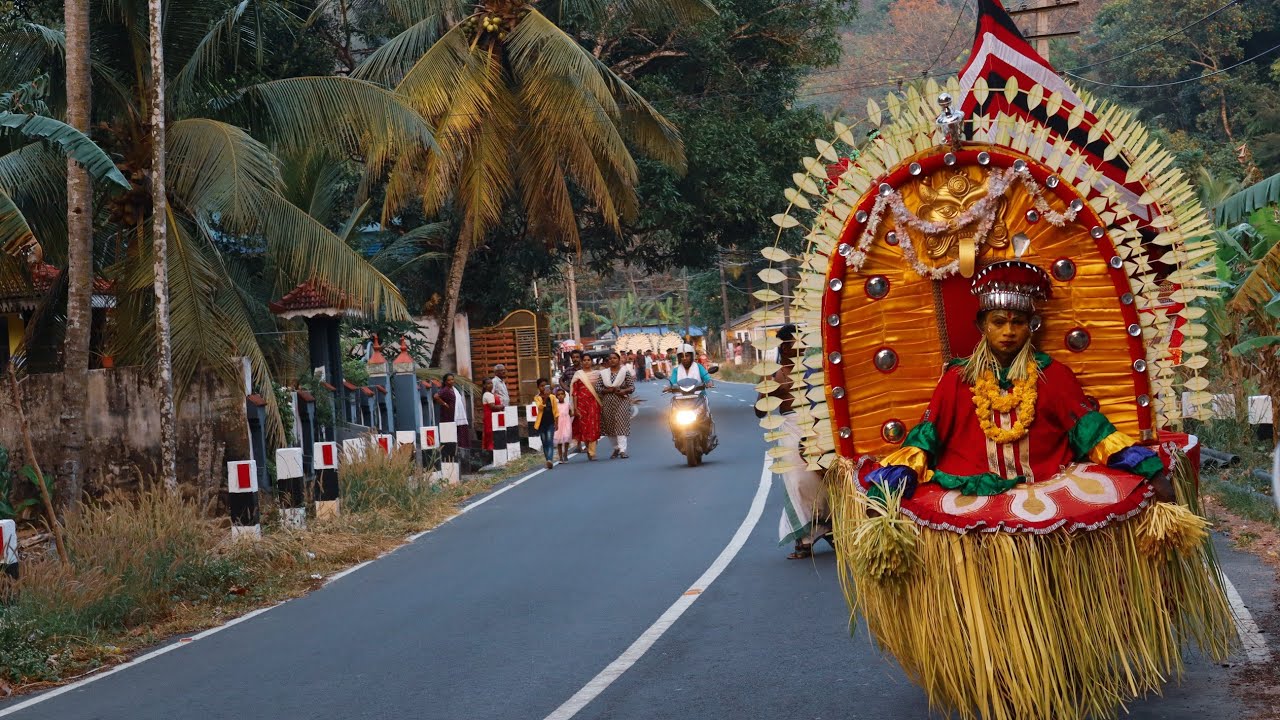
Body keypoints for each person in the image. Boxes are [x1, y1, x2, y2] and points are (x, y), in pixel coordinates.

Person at [865, 260, 1173, 505]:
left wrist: (1147, 469)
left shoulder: (1052, 375)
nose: (1008, 331)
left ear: (1031, 327)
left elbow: (1092, 431)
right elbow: (925, 438)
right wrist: (894, 481)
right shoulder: (957, 380)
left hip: (1048, 491)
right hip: (969, 491)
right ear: (982, 326)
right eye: (998, 322)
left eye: (1018, 322)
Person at [758, 324, 831, 559]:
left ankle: (830, 527)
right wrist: (766, 386)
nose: (793, 349)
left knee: (824, 479)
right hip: (791, 430)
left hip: (817, 427)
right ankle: (805, 539)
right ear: (782, 347)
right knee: (798, 482)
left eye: (797, 343)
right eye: (788, 345)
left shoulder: (816, 369)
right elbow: (760, 412)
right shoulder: (777, 374)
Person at [599, 351, 636, 459]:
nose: (612, 360)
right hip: (607, 402)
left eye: (615, 358)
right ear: (608, 361)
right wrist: (607, 390)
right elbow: (597, 388)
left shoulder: (625, 372)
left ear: (619, 360)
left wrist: (624, 391)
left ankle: (622, 450)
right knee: (610, 426)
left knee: (620, 424)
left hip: (622, 401)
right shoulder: (604, 374)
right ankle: (616, 448)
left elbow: (632, 387)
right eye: (610, 359)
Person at [569, 350, 603, 460]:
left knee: (593, 427)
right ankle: (589, 448)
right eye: (584, 360)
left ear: (591, 362)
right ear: (581, 362)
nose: (587, 362)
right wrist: (575, 408)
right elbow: (574, 393)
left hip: (594, 403)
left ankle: (592, 452)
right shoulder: (578, 375)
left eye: (589, 360)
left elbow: (601, 389)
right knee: (585, 428)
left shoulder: (597, 374)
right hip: (581, 405)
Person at [433, 373, 471, 450]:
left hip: (458, 414)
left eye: (452, 379)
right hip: (449, 415)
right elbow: (436, 396)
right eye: (449, 380)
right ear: (445, 382)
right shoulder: (445, 390)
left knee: (460, 431)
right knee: (451, 434)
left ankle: (462, 448)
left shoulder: (454, 389)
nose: (451, 381)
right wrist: (444, 403)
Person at [531, 378, 559, 470]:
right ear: (538, 387)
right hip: (541, 423)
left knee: (550, 441)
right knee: (544, 442)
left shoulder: (553, 397)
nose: (543, 388)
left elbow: (556, 411)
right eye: (541, 386)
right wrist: (545, 398)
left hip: (550, 422)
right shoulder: (537, 397)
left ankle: (550, 459)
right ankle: (548, 460)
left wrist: (557, 422)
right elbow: (540, 407)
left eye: (545, 386)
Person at [554, 385, 574, 463]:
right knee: (559, 441)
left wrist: (569, 417)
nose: (560, 396)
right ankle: (560, 457)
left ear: (565, 395)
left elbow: (571, 413)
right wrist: (555, 424)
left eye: (562, 394)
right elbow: (554, 415)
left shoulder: (567, 404)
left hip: (566, 423)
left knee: (566, 439)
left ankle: (565, 454)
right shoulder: (555, 405)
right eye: (558, 395)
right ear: (556, 396)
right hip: (558, 423)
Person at [481, 378, 497, 452]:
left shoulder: (490, 394)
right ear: (484, 385)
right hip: (489, 416)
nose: (491, 385)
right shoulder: (487, 395)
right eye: (488, 383)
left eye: (491, 383)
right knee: (490, 432)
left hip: (492, 415)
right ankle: (490, 449)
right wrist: (502, 406)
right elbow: (492, 407)